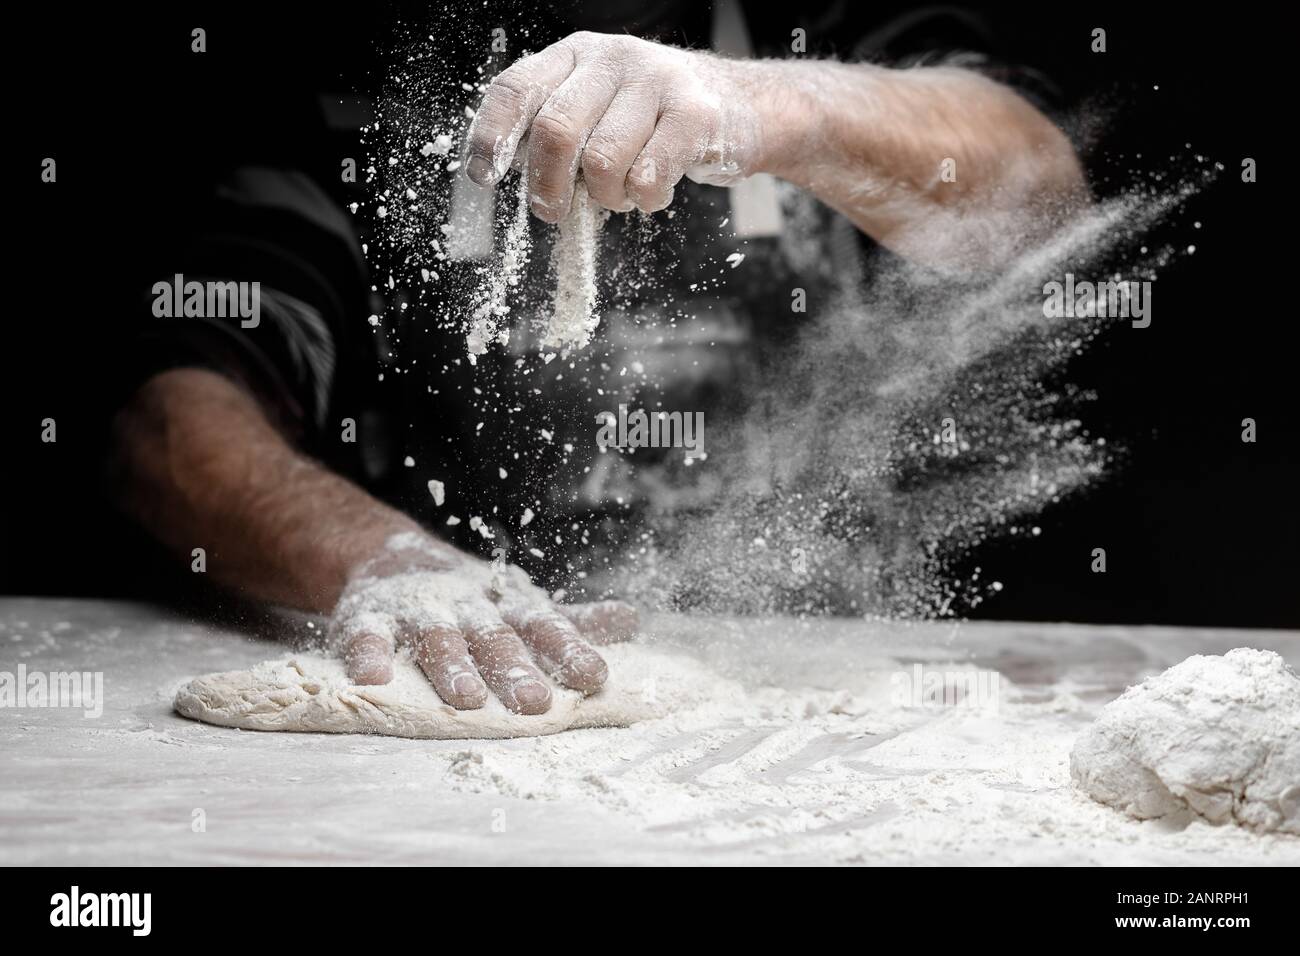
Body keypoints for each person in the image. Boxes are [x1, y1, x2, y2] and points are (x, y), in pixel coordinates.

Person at [19, 3, 1085, 714]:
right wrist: (389, 562)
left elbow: (1039, 196)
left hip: (824, 688)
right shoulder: (356, 83)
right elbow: (172, 413)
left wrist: (769, 105)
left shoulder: (829, 21)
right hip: (466, 672)